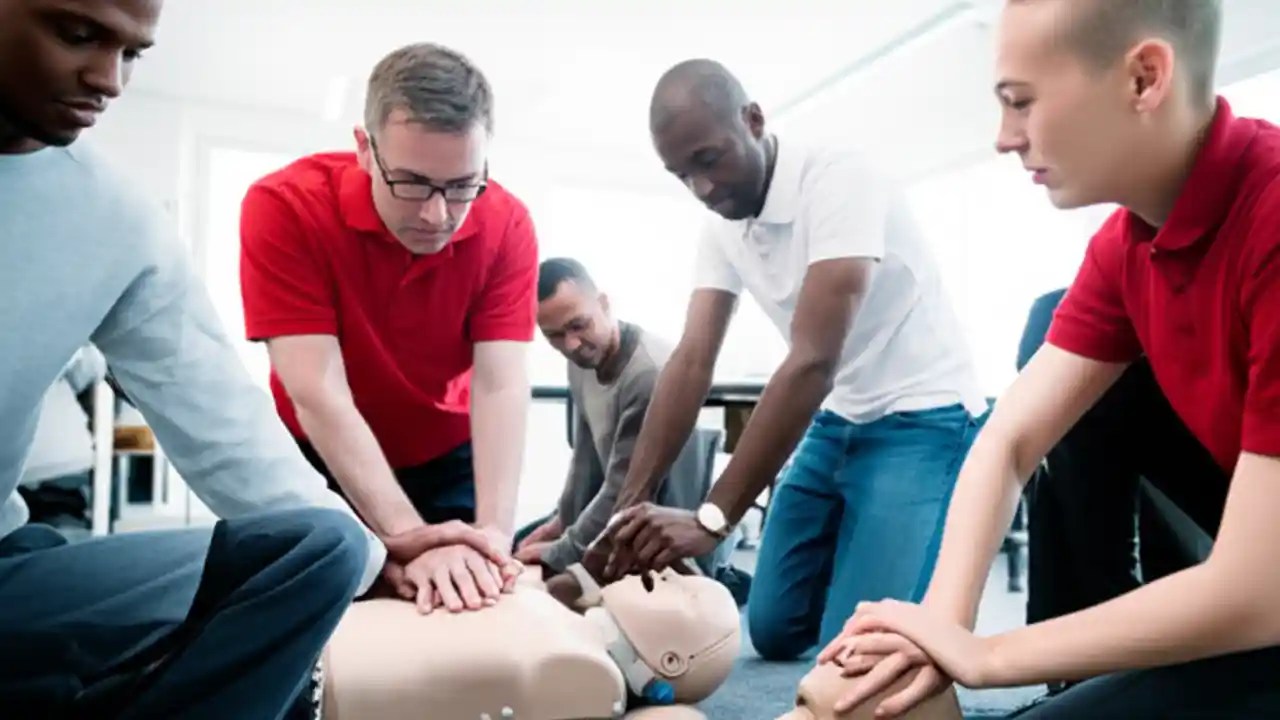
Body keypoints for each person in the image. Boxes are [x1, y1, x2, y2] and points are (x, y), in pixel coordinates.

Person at [0, 1, 503, 717]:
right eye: (78, 34)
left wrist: (379, 551)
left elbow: (226, 425)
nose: (110, 79)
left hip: (11, 559)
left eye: (134, 53)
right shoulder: (288, 204)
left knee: (323, 547)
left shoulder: (116, 219)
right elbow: (315, 388)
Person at [822, 1, 1280, 718]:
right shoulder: (1127, 244)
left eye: (1022, 103)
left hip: (1266, 585)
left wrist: (987, 657)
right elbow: (1008, 439)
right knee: (1054, 337)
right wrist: (944, 627)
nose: (1005, 137)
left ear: (1143, 79)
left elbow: (1260, 591)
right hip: (1256, 552)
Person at [602, 58, 989, 661]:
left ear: (754, 120)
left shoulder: (839, 179)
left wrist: (711, 519)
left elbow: (812, 360)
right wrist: (629, 505)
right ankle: (869, 557)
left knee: (858, 654)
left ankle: (920, 577)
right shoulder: (722, 223)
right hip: (839, 419)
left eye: (709, 159)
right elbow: (691, 359)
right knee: (776, 630)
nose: (701, 188)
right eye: (682, 175)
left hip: (925, 417)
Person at [239, 42, 538, 614]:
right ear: (364, 149)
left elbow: (500, 383)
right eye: (412, 182)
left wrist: (496, 535)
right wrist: (405, 536)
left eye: (461, 186)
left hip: (444, 451)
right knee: (315, 618)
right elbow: (317, 389)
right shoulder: (284, 205)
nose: (437, 214)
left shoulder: (507, 222)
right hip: (318, 453)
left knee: (469, 604)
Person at [518, 258, 748, 599]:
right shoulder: (582, 361)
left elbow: (623, 488)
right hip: (618, 516)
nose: (571, 344)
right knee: (515, 549)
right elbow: (585, 463)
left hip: (664, 531)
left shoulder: (647, 376)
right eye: (554, 335)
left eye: (578, 325)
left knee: (553, 591)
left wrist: (559, 552)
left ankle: (718, 575)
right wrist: (559, 524)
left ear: (604, 304)